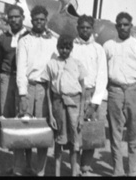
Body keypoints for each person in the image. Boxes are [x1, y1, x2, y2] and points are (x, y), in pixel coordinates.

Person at [103, 12, 136, 176]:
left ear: (131, 26)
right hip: (115, 91)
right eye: (120, 24)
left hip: (133, 91)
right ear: (116, 26)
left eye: (126, 24)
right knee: (115, 134)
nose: (122, 27)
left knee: (134, 134)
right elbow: (103, 72)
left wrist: (135, 89)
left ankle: (132, 171)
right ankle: (118, 170)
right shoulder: (108, 45)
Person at [16, 5, 57, 176]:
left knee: (42, 129)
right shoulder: (24, 40)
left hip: (45, 89)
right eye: (36, 20)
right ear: (31, 21)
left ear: (46, 21)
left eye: (42, 19)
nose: (39, 22)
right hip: (28, 86)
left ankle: (39, 170)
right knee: (23, 128)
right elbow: (21, 68)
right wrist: (23, 94)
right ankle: (21, 168)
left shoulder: (53, 41)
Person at [43, 35, 87, 176]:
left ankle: (74, 172)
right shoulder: (51, 64)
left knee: (75, 140)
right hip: (58, 104)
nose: (64, 50)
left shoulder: (77, 64)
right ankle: (57, 172)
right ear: (57, 48)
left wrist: (81, 115)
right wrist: (51, 115)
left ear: (71, 49)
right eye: (62, 48)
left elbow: (83, 90)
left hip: (74, 104)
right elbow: (49, 91)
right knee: (59, 140)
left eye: (67, 48)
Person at [0, 5, 29, 175]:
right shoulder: (3, 38)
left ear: (23, 17)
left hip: (23, 81)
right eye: (11, 17)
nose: (14, 20)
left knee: (24, 119)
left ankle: (25, 165)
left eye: (17, 17)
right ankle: (16, 164)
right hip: (7, 78)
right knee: (9, 120)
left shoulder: (29, 36)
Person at [71, 15, 108, 176]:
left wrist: (95, 102)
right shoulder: (71, 46)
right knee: (75, 128)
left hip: (92, 93)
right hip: (75, 93)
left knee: (91, 130)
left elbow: (102, 75)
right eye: (82, 27)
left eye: (88, 28)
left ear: (92, 29)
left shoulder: (98, 49)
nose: (85, 30)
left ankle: (86, 166)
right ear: (77, 28)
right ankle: (75, 165)